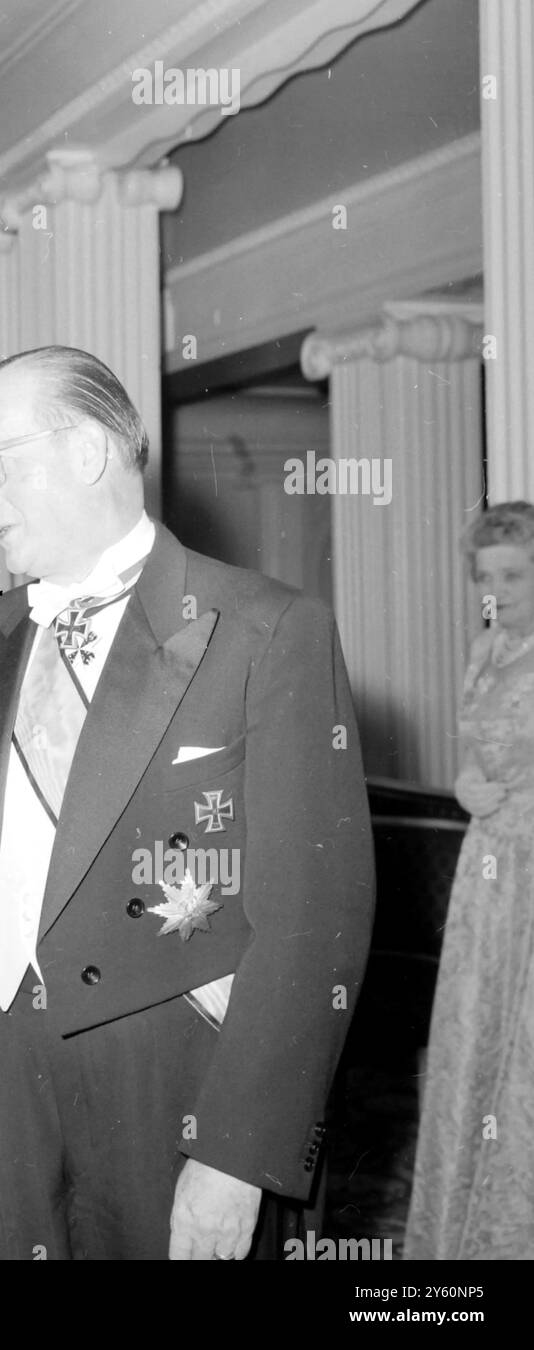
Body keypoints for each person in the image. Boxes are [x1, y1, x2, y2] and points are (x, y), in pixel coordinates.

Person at [0, 345, 376, 1260]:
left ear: (86, 452)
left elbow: (314, 920)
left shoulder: (267, 628)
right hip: (2, 1072)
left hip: (177, 1078)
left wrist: (239, 1151)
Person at [405, 501, 534, 1260]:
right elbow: (473, 759)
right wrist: (462, 786)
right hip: (487, 871)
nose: (498, 591)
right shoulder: (483, 652)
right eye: (485, 577)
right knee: (475, 1043)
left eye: (514, 575)